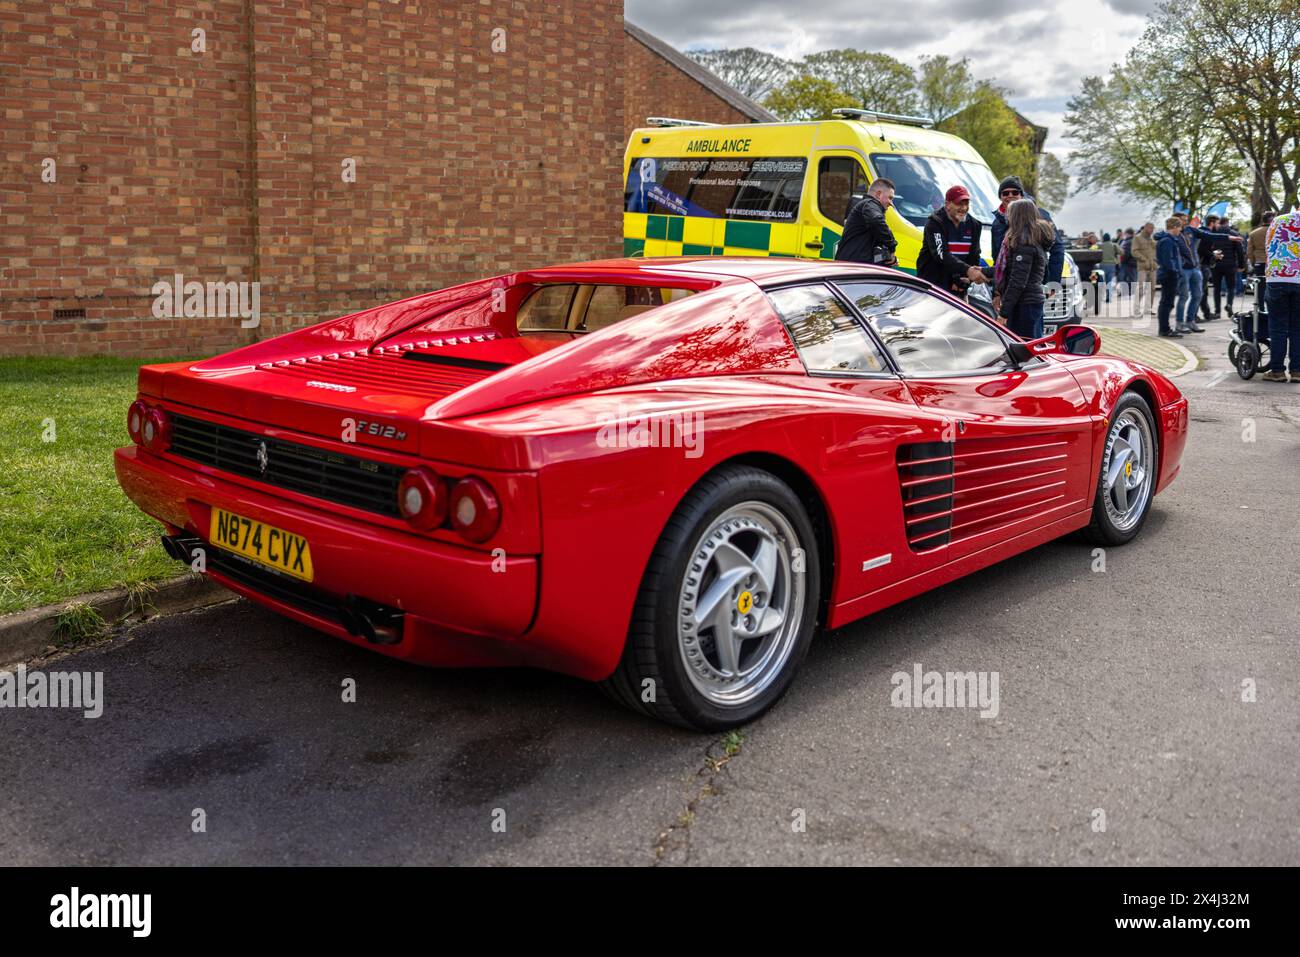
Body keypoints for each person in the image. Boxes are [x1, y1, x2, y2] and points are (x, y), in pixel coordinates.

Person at [996, 198, 1055, 339]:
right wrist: (981, 271)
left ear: (1017, 216)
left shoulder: (1024, 244)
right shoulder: (1029, 240)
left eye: (1009, 213)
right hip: (1030, 303)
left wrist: (1004, 313)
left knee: (1025, 349)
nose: (1006, 216)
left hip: (1025, 305)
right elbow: (1010, 269)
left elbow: (1018, 281)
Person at [916, 185, 989, 297]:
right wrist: (967, 270)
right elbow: (941, 255)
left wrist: (965, 279)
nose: (964, 208)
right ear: (947, 204)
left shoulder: (974, 225)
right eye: (959, 204)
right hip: (933, 284)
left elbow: (974, 255)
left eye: (966, 204)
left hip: (959, 285)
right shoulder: (935, 222)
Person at [1262, 208, 1300, 382]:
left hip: (1277, 277)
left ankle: (1277, 370)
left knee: (1278, 327)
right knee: (1297, 328)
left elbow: (1268, 245)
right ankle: (1297, 371)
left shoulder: (1278, 220)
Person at [835, 178, 898, 267]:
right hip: (853, 268)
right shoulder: (870, 204)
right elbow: (876, 221)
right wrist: (892, 246)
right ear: (879, 194)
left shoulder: (868, 207)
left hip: (853, 266)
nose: (891, 203)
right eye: (890, 198)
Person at [1174, 213, 1206, 333]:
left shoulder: (1190, 231)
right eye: (1183, 220)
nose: (1185, 222)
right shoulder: (1174, 235)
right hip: (1184, 269)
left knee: (1198, 295)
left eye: (1186, 220)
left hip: (1195, 268)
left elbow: (1198, 243)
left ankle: (1191, 321)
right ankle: (1179, 323)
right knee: (1184, 296)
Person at [1154, 217, 1185, 338]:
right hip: (1169, 275)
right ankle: (1164, 329)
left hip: (1169, 274)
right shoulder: (1167, 241)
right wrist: (1175, 271)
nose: (1180, 230)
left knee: (1167, 302)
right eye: (1180, 227)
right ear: (1174, 227)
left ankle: (1165, 328)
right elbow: (1168, 260)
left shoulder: (1169, 240)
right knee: (1167, 303)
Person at [1208, 218, 1245, 316]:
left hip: (1216, 265)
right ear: (1228, 224)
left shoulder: (1213, 233)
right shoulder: (1234, 234)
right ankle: (1229, 305)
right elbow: (1240, 251)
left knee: (1217, 288)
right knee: (1231, 287)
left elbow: (1208, 248)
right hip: (1230, 264)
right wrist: (1241, 265)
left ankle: (1217, 311)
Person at [1248, 210, 1275, 309]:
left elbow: (1250, 251)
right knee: (1273, 286)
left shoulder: (1254, 233)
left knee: (1260, 287)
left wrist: (1253, 262)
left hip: (1259, 262)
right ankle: (1271, 308)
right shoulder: (1277, 232)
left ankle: (1261, 308)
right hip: (1274, 263)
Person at [1132, 222, 1158, 316]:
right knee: (1141, 288)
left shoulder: (1152, 238)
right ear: (1146, 228)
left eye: (1153, 228)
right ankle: (1136, 309)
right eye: (1151, 228)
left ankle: (1148, 309)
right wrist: (1144, 259)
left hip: (1153, 266)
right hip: (1142, 266)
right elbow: (1134, 251)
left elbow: (1156, 250)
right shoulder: (1137, 238)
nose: (1152, 230)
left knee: (1152, 288)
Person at [1098, 232, 1119, 301]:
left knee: (1101, 281)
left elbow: (1092, 249)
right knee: (1109, 282)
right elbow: (1121, 252)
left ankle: (1100, 297)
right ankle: (1109, 298)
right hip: (1111, 265)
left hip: (1102, 265)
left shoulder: (1100, 245)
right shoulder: (1114, 245)